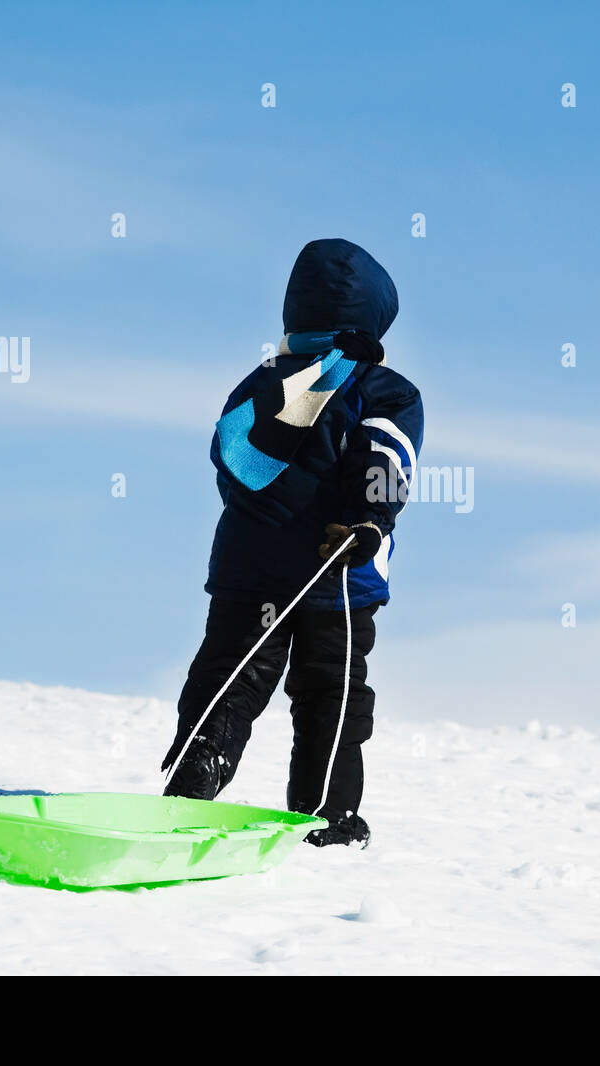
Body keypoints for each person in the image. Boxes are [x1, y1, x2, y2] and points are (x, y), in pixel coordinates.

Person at [161, 238, 423, 848]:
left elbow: (229, 457)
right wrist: (372, 518)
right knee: (330, 689)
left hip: (248, 568)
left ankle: (194, 776)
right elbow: (384, 454)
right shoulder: (382, 389)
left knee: (230, 673)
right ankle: (325, 813)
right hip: (340, 569)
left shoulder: (259, 385)